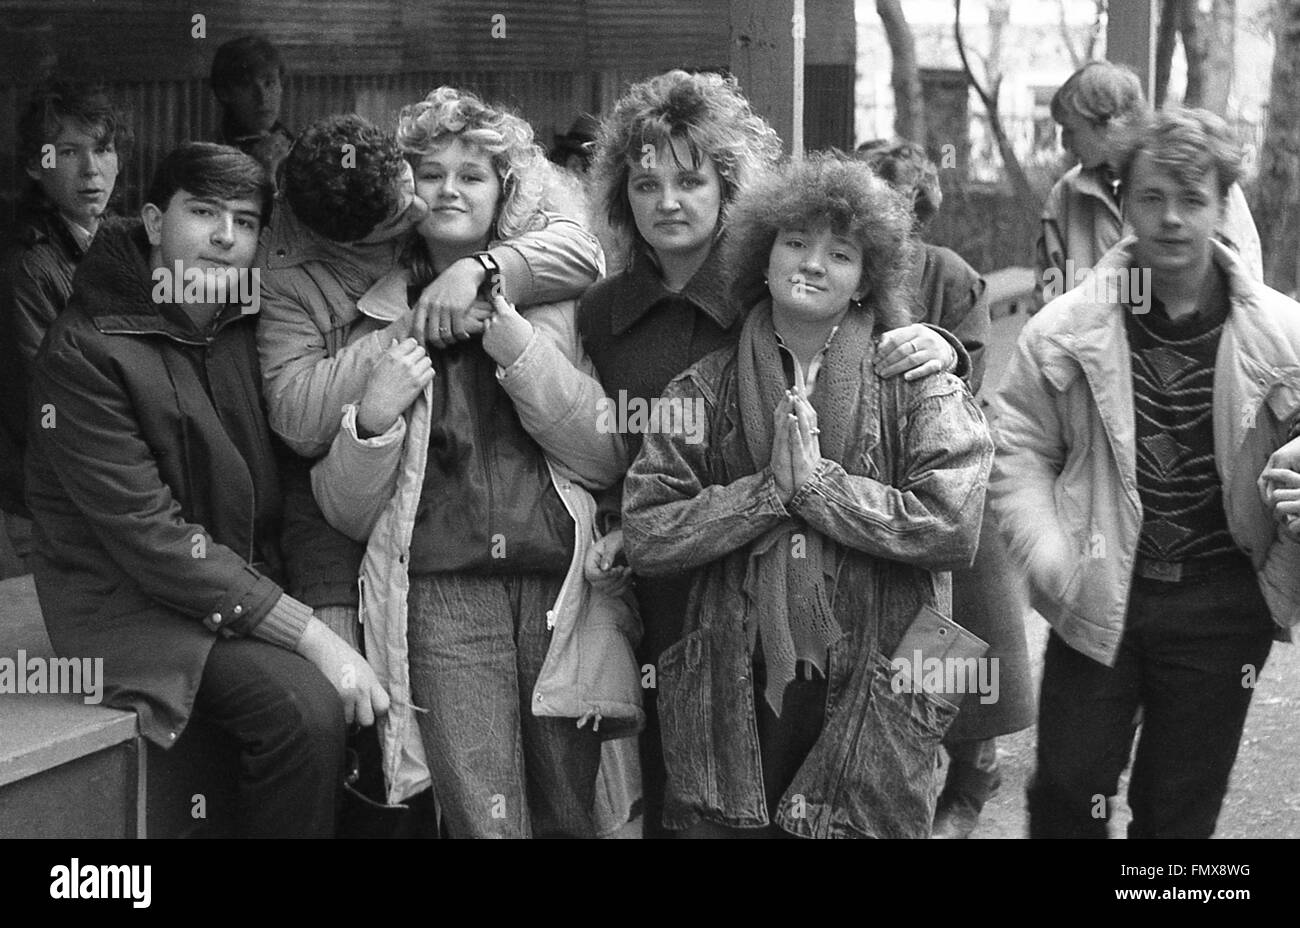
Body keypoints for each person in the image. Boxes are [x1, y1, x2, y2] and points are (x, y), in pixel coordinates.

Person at [621, 152, 994, 837]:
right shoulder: (702, 389)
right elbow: (648, 529)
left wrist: (821, 489)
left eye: (841, 254)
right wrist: (766, 495)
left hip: (884, 683)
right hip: (738, 681)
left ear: (865, 283)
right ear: (761, 260)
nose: (813, 264)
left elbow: (952, 524)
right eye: (794, 243)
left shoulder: (920, 385)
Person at [25, 142, 387, 838]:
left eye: (246, 221)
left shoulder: (244, 325)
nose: (226, 237)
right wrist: (308, 634)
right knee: (303, 710)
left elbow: (299, 479)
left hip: (244, 588)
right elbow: (152, 539)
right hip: (132, 610)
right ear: (156, 222)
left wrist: (332, 609)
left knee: (384, 670)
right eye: (204, 213)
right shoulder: (85, 350)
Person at [310, 87, 628, 837]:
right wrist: (376, 418)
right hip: (443, 591)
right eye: (429, 172)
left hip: (561, 585)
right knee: (485, 817)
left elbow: (606, 454)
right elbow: (345, 512)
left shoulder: (563, 303)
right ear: (405, 192)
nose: (450, 188)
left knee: (572, 813)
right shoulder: (376, 312)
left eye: (473, 173)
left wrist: (511, 338)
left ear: (505, 190)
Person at [992, 107, 1300, 838]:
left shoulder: (1284, 333)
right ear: (1122, 200)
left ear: (1223, 206)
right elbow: (1022, 445)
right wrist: (1042, 538)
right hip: (1098, 592)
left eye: (1192, 199)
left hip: (1223, 607)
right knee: (1066, 793)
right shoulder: (1063, 330)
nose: (1170, 219)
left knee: (1176, 813)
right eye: (1152, 197)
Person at [256, 112, 603, 651]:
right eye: (426, 182)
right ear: (357, 237)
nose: (433, 201)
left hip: (558, 563)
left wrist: (475, 274)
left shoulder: (537, 262)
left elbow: (584, 251)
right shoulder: (309, 279)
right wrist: (417, 326)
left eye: (470, 177)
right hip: (417, 567)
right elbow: (299, 424)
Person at [577, 68, 782, 836]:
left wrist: (937, 349)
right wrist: (612, 523)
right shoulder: (604, 313)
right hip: (663, 596)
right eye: (645, 182)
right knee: (681, 799)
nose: (667, 201)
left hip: (771, 585)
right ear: (620, 196)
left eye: (691, 180)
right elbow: (601, 449)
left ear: (729, 187)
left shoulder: (772, 294)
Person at [856, 139, 1036, 838]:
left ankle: (972, 768)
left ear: (918, 211)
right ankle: (900, 769)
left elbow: (970, 376)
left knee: (963, 627)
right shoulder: (850, 272)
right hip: (871, 482)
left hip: (950, 474)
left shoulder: (950, 274)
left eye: (896, 205)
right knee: (899, 646)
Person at [0, 78, 131, 570]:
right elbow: (43, 409)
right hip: (55, 503)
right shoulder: (29, 268)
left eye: (103, 149)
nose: (92, 169)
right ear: (37, 165)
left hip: (113, 486)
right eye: (69, 152)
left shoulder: (124, 241)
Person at [1033, 60, 1261, 310]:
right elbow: (1048, 302)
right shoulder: (1066, 195)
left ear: (1106, 124)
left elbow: (1246, 286)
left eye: (1070, 130)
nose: (1064, 143)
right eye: (1151, 199)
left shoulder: (1208, 182)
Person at [210, 35, 294, 179]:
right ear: (224, 93)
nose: (262, 97)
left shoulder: (294, 144)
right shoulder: (212, 157)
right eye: (246, 85)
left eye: (269, 83)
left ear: (281, 85)